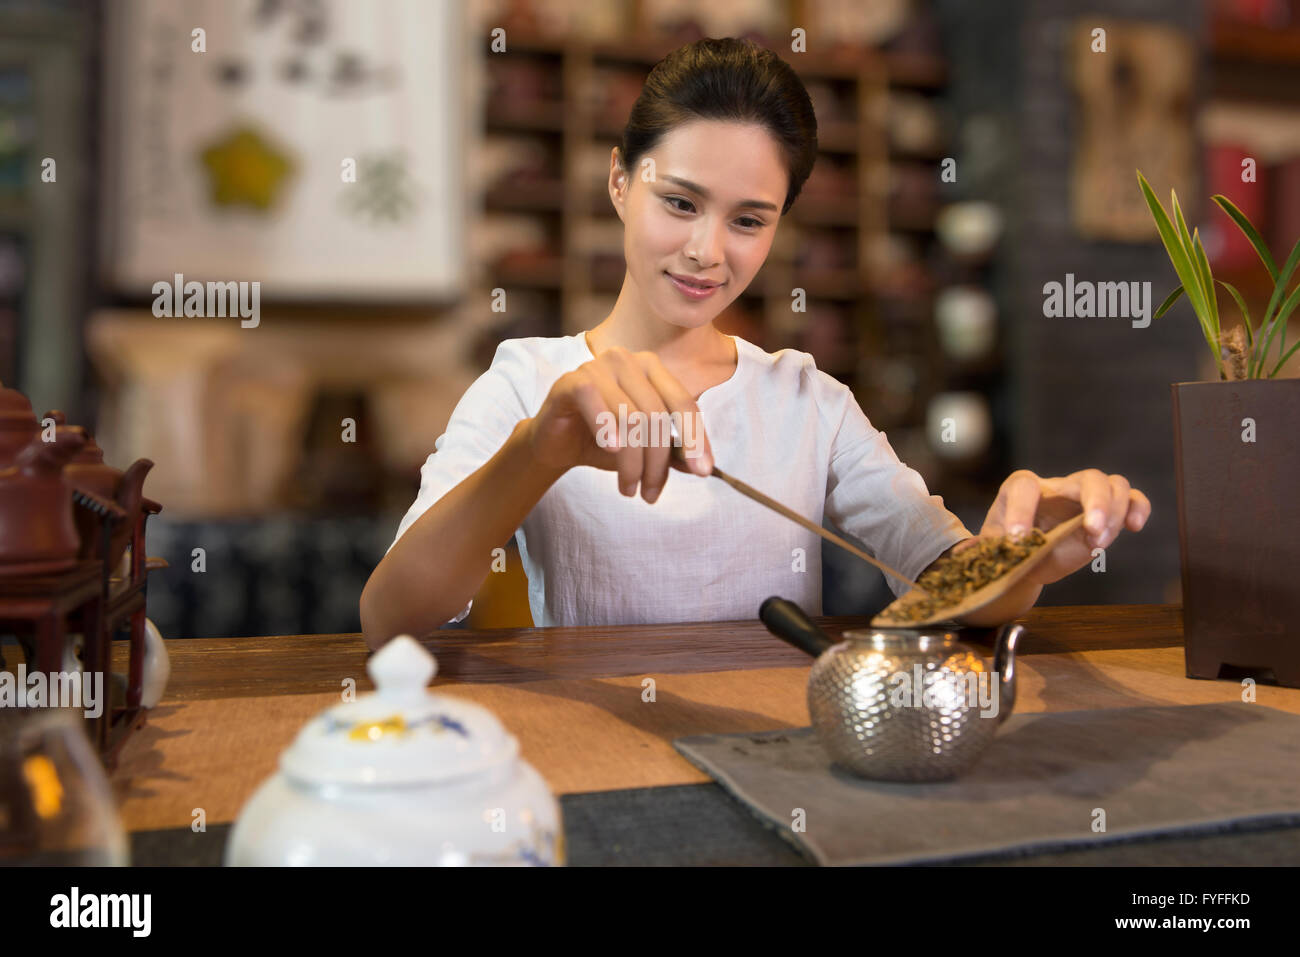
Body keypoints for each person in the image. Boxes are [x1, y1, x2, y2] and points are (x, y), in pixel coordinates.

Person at [360, 38, 1150, 650]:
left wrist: (1030, 550)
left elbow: (949, 579)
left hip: (785, 753)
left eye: (748, 220)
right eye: (679, 201)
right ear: (618, 181)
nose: (708, 250)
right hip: (600, 755)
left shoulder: (808, 399)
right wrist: (546, 446)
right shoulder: (529, 381)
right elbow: (392, 617)